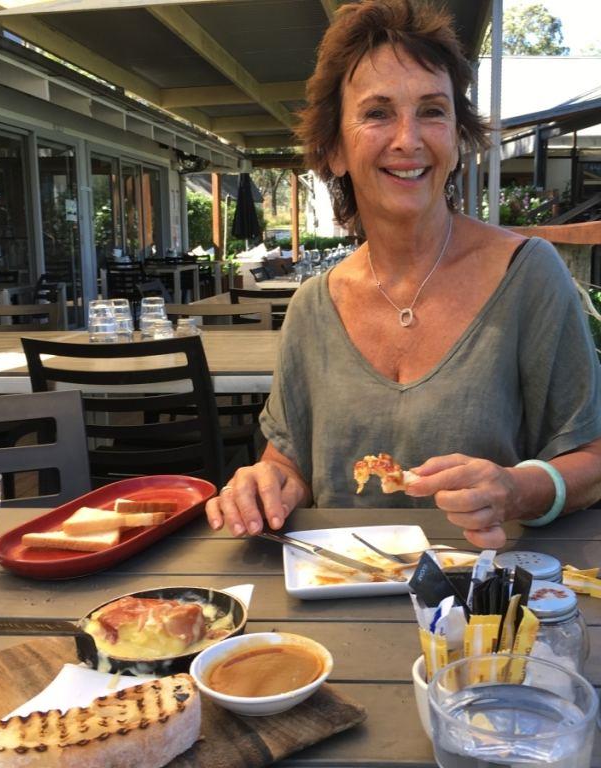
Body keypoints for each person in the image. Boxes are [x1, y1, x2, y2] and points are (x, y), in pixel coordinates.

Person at [206, 0, 601, 549]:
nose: (409, 140)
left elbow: (593, 458)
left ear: (457, 139)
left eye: (433, 111)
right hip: (335, 610)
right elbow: (290, 462)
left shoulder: (528, 277)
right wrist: (268, 482)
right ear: (334, 150)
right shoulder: (313, 308)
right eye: (377, 113)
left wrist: (515, 489)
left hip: (484, 614)